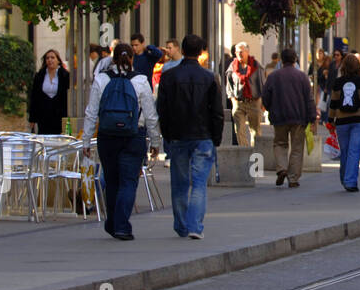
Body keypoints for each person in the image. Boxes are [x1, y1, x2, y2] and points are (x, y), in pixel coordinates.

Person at [83, 43, 161, 241]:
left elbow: (92, 113)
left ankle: (113, 223)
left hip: (107, 137)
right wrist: (154, 141)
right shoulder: (141, 81)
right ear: (132, 59)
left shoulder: (101, 79)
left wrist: (86, 140)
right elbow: (151, 115)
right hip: (133, 136)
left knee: (112, 181)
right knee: (128, 181)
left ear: (112, 59)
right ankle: (121, 225)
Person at [156, 33, 224, 239]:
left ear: (182, 51)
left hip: (177, 135)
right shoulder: (209, 77)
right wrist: (216, 137)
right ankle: (195, 225)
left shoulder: (169, 77)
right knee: (199, 183)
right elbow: (217, 112)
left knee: (179, 183)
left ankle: (182, 224)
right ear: (201, 52)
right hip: (203, 136)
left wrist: (166, 134)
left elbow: (162, 109)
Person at [261, 47, 314, 189]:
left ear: (281, 60)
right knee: (297, 147)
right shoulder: (302, 76)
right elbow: (309, 99)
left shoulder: (273, 76)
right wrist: (312, 117)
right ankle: (293, 178)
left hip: (279, 116)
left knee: (280, 143)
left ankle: (281, 168)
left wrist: (270, 108)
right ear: (295, 59)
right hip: (298, 117)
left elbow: (265, 96)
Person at [329, 53, 360, 192]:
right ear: (358, 66)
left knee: (345, 151)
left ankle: (344, 178)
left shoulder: (338, 83)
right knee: (354, 151)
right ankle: (350, 181)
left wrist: (331, 120)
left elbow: (333, 104)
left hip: (342, 122)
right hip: (359, 121)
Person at [225, 42, 266, 147]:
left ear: (247, 52)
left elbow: (262, 84)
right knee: (239, 130)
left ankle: (255, 153)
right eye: (237, 52)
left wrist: (262, 103)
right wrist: (233, 101)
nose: (239, 54)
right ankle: (245, 151)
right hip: (239, 102)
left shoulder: (256, 66)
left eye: (241, 51)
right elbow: (229, 85)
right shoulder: (232, 67)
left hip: (254, 101)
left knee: (255, 130)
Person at [27, 49, 70, 135]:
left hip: (59, 115)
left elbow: (68, 96)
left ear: (58, 60)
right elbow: (34, 97)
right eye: (47, 58)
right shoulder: (40, 75)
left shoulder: (65, 75)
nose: (50, 60)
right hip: (43, 115)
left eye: (52, 57)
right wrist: (32, 119)